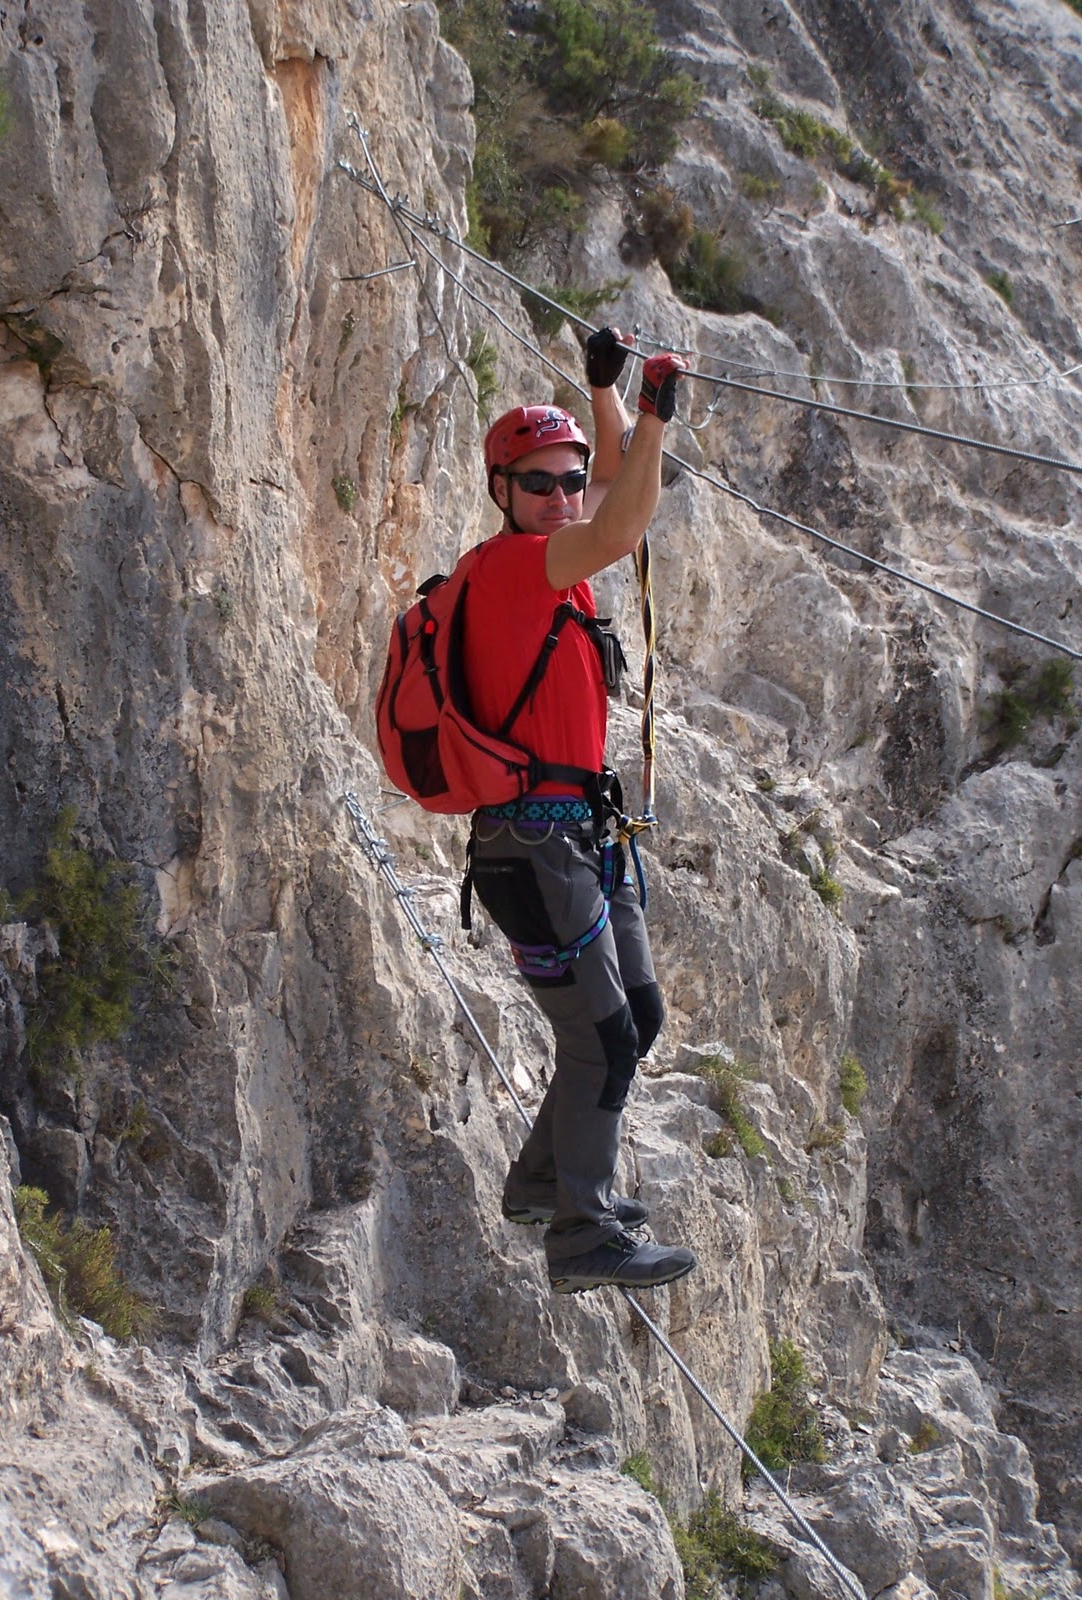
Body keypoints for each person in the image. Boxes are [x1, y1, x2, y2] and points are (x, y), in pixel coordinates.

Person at [464, 329, 697, 1294]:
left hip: (578, 842)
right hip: (533, 848)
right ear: (501, 490)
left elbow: (608, 496)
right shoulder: (515, 572)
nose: (562, 496)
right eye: (540, 482)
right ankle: (580, 1233)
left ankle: (543, 1182)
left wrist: (604, 397)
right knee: (596, 1037)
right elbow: (622, 518)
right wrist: (651, 417)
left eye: (567, 481)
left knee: (632, 1017)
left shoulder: (555, 546)